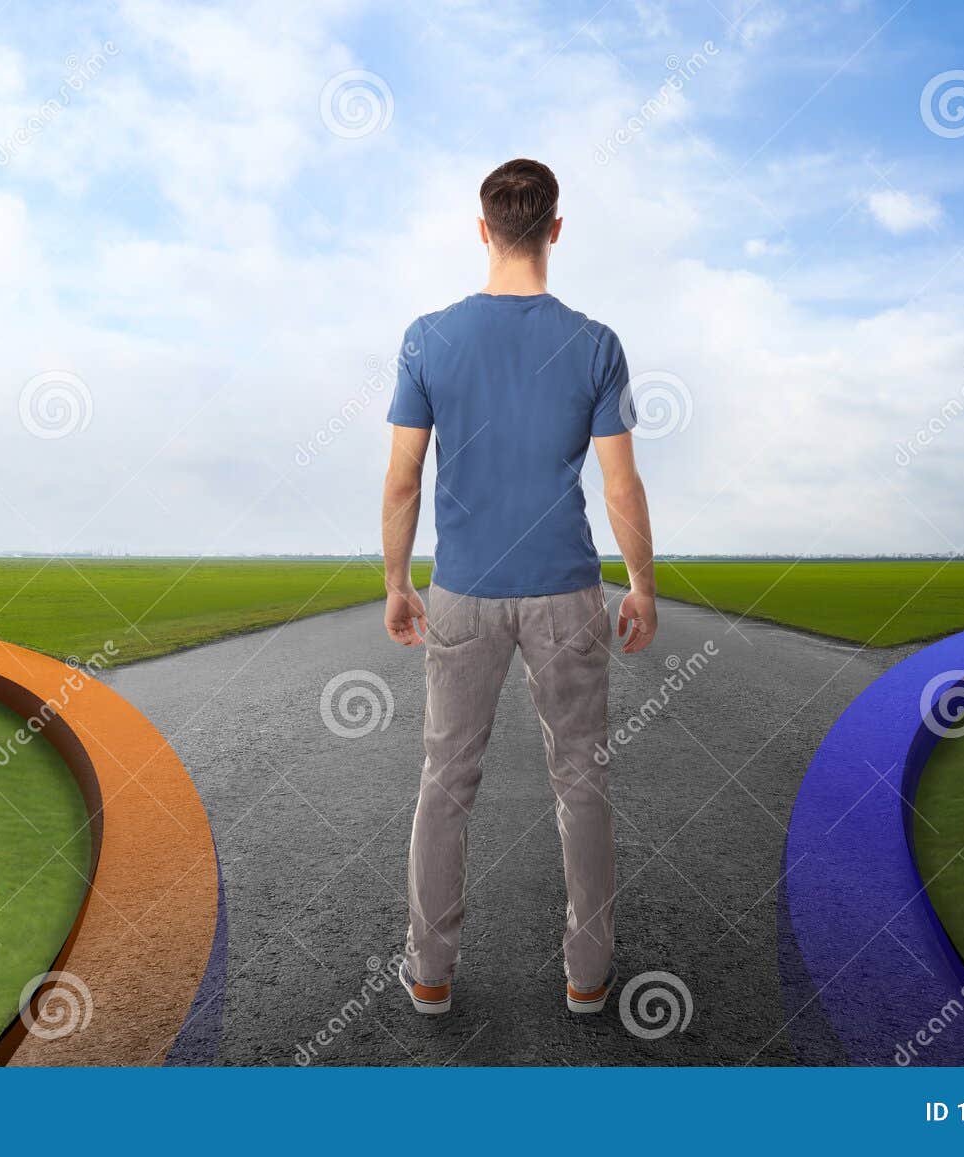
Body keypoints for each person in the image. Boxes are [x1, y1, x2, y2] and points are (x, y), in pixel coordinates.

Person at [380, 158, 657, 1017]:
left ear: (483, 230)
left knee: (444, 781)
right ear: (556, 231)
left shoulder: (428, 336)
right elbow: (619, 485)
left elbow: (402, 479)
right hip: (569, 593)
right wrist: (641, 583)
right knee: (583, 782)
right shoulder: (596, 344)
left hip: (461, 593)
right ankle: (587, 975)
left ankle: (430, 971)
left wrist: (396, 581)